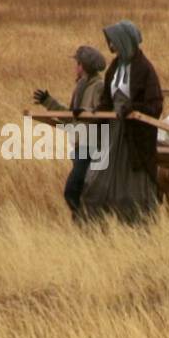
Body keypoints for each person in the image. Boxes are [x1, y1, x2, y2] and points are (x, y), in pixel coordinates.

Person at [79, 20, 163, 224]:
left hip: (133, 136)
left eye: (114, 41)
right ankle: (96, 227)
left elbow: (155, 105)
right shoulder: (114, 68)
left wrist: (133, 109)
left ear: (125, 42)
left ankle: (136, 227)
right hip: (113, 131)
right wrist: (95, 113)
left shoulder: (145, 69)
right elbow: (107, 100)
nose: (111, 45)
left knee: (131, 187)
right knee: (95, 181)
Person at [32, 46, 107, 220]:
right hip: (80, 145)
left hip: (92, 145)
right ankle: (84, 225)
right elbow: (71, 116)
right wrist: (48, 102)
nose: (75, 67)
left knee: (72, 190)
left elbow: (100, 114)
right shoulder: (81, 86)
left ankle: (83, 222)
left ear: (84, 66)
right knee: (81, 191)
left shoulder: (98, 86)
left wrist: (84, 112)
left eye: (77, 63)